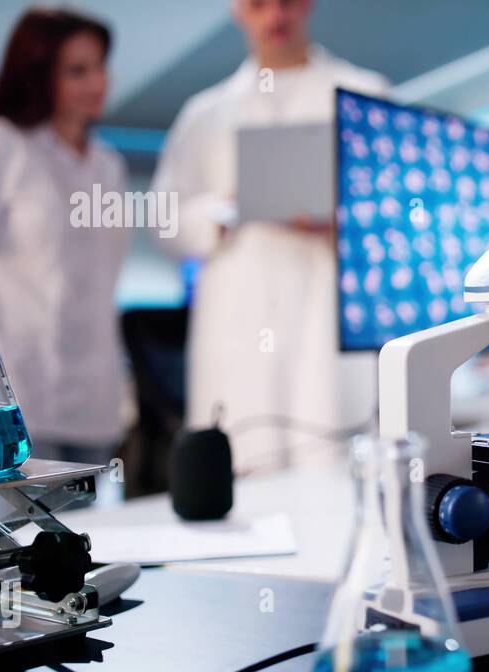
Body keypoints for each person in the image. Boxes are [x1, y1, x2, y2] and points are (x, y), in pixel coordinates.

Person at [151, 0, 388, 473]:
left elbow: (397, 210)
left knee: (333, 461)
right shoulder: (205, 114)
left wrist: (341, 217)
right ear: (237, 9)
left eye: (287, 2)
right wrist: (228, 204)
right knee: (247, 468)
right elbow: (165, 221)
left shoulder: (365, 93)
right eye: (259, 4)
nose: (275, 17)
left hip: (327, 319)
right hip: (239, 322)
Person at [0, 8, 127, 465]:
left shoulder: (109, 164)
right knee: (15, 533)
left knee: (87, 535)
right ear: (38, 75)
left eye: (100, 66)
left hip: (95, 398)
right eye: (77, 70)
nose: (97, 81)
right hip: (17, 393)